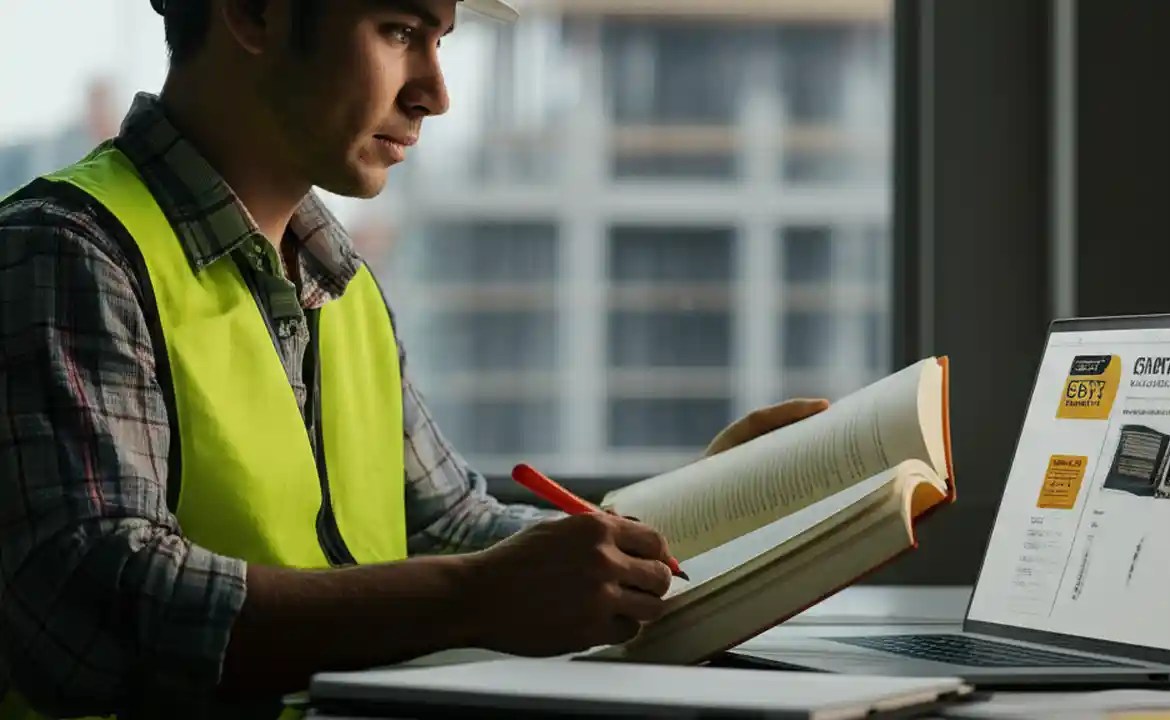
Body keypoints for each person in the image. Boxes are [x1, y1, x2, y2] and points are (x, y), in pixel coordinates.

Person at [0, 1, 830, 717]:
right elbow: (85, 619)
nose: (435, 92)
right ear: (250, 11)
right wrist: (468, 602)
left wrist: (707, 510)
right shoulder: (67, 253)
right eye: (399, 28)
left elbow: (457, 531)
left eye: (441, 39)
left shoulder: (344, 288)